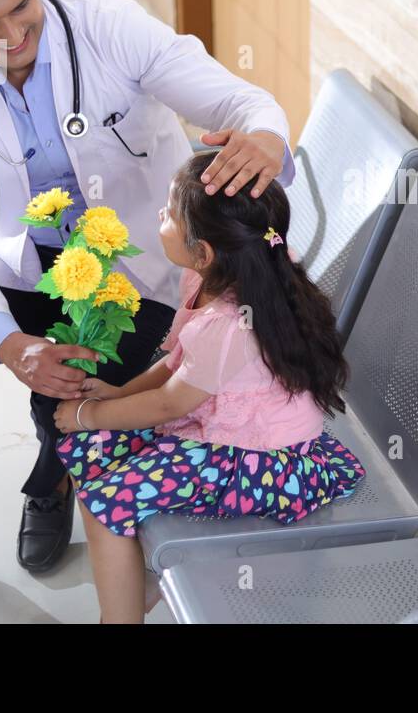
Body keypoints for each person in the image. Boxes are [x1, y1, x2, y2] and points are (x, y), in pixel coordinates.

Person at [0, 0, 295, 624]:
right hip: (28, 265)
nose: (12, 37)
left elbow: (239, 98)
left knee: (120, 382)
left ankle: (54, 472)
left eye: (22, 9)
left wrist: (262, 134)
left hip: (138, 268)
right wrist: (12, 346)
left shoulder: (109, 26)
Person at [53, 154, 365, 622]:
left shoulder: (229, 326)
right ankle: (136, 588)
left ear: (204, 251)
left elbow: (167, 402)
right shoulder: (226, 272)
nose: (161, 217)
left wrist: (85, 415)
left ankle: (120, 616)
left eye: (171, 215)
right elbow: (177, 365)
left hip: (264, 461)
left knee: (104, 504)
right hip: (220, 423)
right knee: (91, 450)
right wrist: (116, 398)